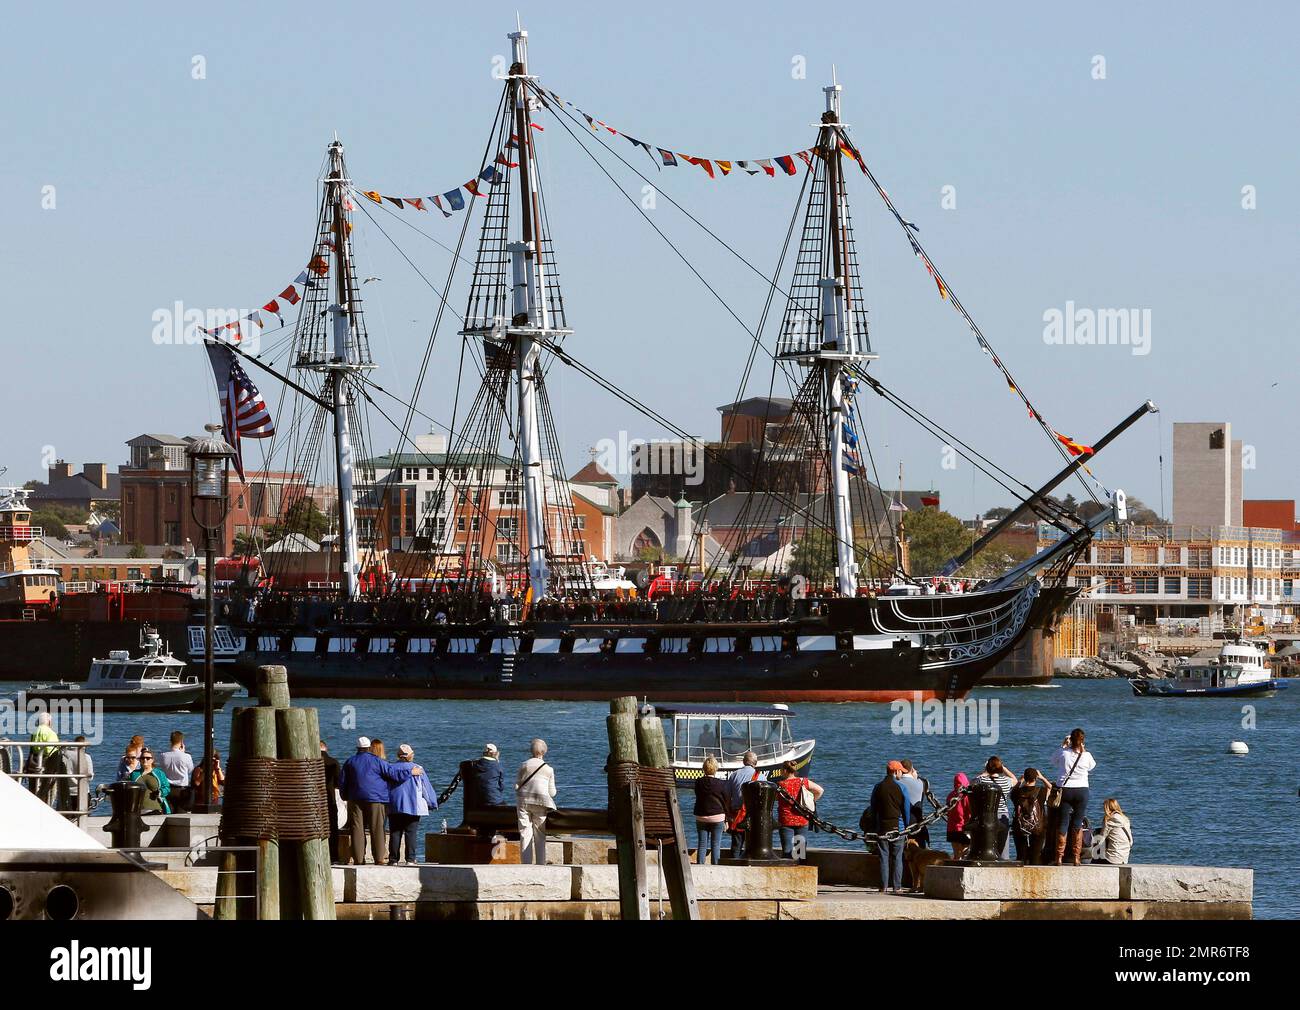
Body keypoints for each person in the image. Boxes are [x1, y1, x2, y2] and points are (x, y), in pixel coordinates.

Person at [338, 736, 423, 865]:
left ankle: (358, 859)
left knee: (357, 829)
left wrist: (345, 796)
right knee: (377, 828)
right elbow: (394, 774)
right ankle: (378, 858)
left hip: (355, 799)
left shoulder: (350, 762)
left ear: (357, 748)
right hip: (376, 799)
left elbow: (342, 782)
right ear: (369, 748)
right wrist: (410, 772)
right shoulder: (377, 761)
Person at [387, 744, 438, 865]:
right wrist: (432, 803)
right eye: (412, 754)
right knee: (411, 833)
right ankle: (410, 859)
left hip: (394, 805)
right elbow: (426, 788)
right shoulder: (418, 768)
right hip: (413, 806)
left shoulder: (391, 768)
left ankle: (393, 859)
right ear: (408, 756)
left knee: (395, 833)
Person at [1051, 728, 1096, 866]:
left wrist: (1063, 745)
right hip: (1082, 790)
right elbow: (1091, 767)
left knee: (1063, 823)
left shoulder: (1063, 753)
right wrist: (1083, 749)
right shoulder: (1087, 755)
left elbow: (1053, 760)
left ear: (1070, 740)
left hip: (1065, 790)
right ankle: (1076, 857)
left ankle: (1059, 857)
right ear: (1082, 741)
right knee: (1077, 823)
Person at [869, 760, 910, 892]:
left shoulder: (877, 787)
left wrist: (875, 825)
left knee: (883, 857)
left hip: (882, 827)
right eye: (900, 772)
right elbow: (906, 810)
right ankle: (897, 887)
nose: (901, 775)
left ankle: (883, 886)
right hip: (898, 827)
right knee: (897, 857)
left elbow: (873, 808)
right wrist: (907, 826)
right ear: (896, 771)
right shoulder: (902, 787)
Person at [515, 738, 557, 865]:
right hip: (541, 802)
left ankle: (526, 863)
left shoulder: (524, 765)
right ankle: (540, 863)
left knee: (524, 832)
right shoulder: (548, 769)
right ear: (544, 752)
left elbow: (516, 786)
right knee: (540, 833)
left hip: (523, 801)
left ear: (531, 751)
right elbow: (552, 793)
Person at [776, 761, 824, 861]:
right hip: (802, 819)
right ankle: (801, 870)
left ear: (785, 770)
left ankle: (788, 873)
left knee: (787, 852)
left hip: (785, 820)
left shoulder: (780, 785)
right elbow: (820, 790)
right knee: (800, 853)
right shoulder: (803, 782)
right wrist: (811, 801)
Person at [974, 757, 1017, 859]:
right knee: (1003, 844)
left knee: (986, 843)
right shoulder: (1006, 781)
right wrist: (1004, 768)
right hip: (1002, 814)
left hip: (987, 815)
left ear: (988, 768)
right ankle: (1003, 861)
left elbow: (972, 782)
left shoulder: (982, 780)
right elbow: (1015, 780)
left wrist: (985, 771)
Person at [725, 750, 765, 859]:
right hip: (753, 817)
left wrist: (728, 814)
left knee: (736, 846)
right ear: (755, 763)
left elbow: (727, 797)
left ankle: (735, 866)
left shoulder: (734, 775)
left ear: (743, 761)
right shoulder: (761, 777)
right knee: (753, 845)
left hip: (737, 815)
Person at [1010, 768, 1052, 865]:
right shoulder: (1042, 791)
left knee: (1021, 855)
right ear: (1036, 778)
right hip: (1038, 826)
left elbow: (1012, 792)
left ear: (1024, 778)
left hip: (1019, 826)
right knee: (1036, 854)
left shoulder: (1017, 792)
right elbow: (1050, 788)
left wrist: (1019, 781)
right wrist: (1042, 778)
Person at [693, 756, 729, 865]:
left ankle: (700, 866)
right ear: (716, 769)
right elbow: (726, 801)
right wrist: (726, 820)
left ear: (704, 768)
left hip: (701, 816)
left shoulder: (698, 782)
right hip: (717, 817)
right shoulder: (721, 784)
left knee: (702, 844)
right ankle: (715, 867)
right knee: (716, 844)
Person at [26, 712, 61, 802]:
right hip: (46, 762)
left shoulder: (35, 732)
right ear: (49, 722)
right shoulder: (50, 733)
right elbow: (52, 750)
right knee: (45, 788)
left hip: (34, 761)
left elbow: (32, 748)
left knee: (33, 788)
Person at [159, 731, 194, 813]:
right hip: (182, 789)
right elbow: (190, 770)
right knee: (181, 813)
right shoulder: (186, 756)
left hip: (168, 788)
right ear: (182, 742)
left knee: (168, 812)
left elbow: (162, 769)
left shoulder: (163, 755)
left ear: (170, 741)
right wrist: (183, 753)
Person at [463, 743, 506, 810]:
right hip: (494, 800)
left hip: (478, 801)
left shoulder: (474, 765)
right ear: (496, 754)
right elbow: (501, 787)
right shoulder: (498, 766)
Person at [899, 759, 930, 848]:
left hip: (901, 824)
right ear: (912, 770)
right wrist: (915, 776)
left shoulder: (896, 783)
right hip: (917, 824)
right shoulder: (921, 783)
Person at [319, 739, 341, 863]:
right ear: (326, 748)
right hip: (330, 799)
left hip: (315, 802)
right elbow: (338, 782)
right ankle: (334, 856)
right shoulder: (333, 762)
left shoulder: (312, 762)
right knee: (333, 827)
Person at [1092, 798, 1132, 865]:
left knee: (1093, 859)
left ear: (1107, 808)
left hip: (1112, 858)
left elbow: (1100, 840)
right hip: (1124, 859)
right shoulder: (1125, 819)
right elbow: (1131, 842)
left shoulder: (1109, 819)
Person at [130, 749, 172, 813]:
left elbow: (167, 788)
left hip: (155, 808)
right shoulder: (134, 774)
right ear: (140, 760)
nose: (145, 760)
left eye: (148, 758)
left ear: (152, 760)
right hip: (137, 808)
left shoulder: (159, 773)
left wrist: (160, 792)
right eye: (142, 758)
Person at [946, 772, 972, 860]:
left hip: (951, 829)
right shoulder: (967, 796)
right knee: (965, 853)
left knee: (956, 854)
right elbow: (970, 812)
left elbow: (947, 812)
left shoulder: (950, 795)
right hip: (963, 829)